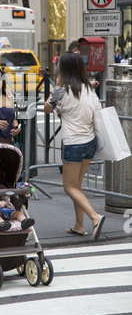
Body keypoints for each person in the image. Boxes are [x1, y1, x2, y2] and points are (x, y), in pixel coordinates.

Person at [44, 52, 105, 241]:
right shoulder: (88, 88)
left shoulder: (61, 90)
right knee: (77, 185)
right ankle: (79, 225)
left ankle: (95, 217)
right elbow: (97, 112)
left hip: (73, 143)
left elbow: (47, 107)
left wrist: (56, 86)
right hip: (90, 142)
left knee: (69, 187)